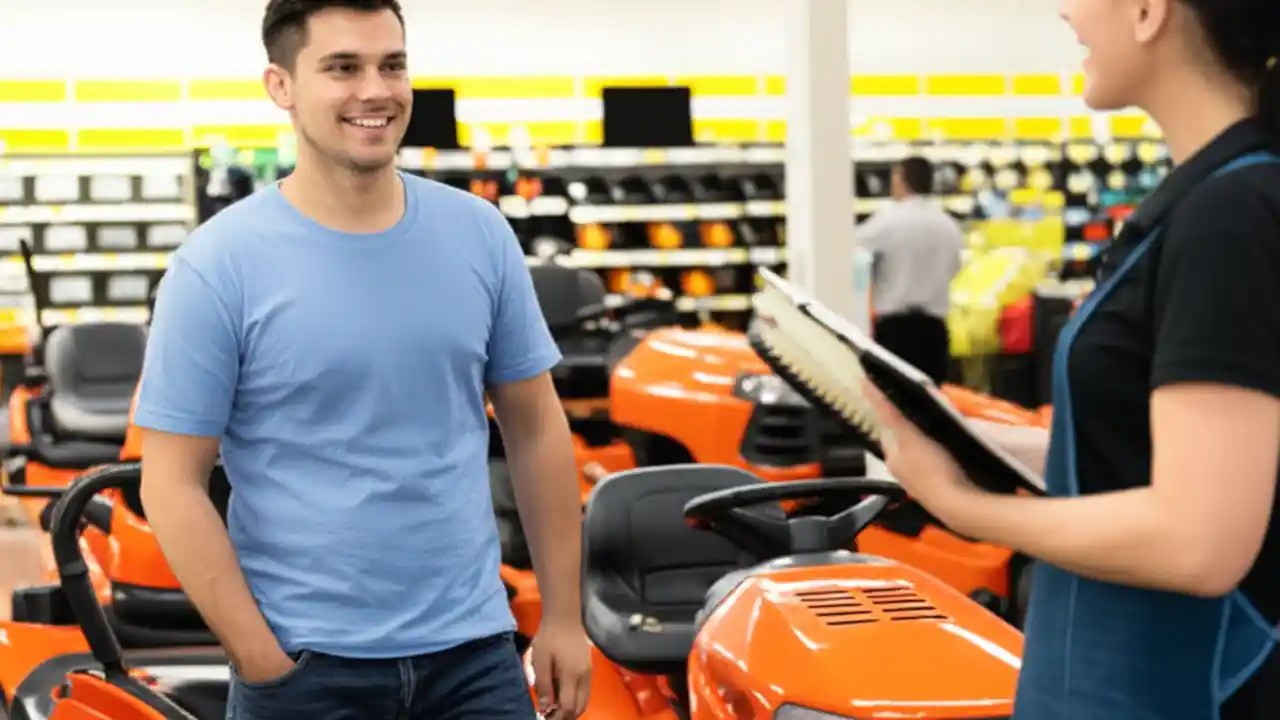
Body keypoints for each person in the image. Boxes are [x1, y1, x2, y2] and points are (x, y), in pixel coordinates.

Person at [133, 1, 591, 718]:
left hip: (475, 657)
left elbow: (535, 429)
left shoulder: (480, 235)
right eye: (343, 68)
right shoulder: (218, 264)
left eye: (392, 66)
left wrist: (563, 615)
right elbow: (170, 482)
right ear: (281, 86)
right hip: (306, 668)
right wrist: (260, 657)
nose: (375, 91)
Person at [865, 1, 1280, 718]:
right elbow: (1144, 450)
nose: (1064, 11)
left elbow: (1199, 543)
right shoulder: (1207, 198)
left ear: (1148, 12)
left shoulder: (1230, 214)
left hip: (1169, 690)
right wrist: (974, 440)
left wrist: (968, 508)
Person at [856, 155, 965, 385]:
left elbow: (856, 253)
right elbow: (955, 268)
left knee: (893, 396)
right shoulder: (948, 225)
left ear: (901, 181)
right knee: (931, 398)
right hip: (934, 331)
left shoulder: (887, 221)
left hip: (895, 330)